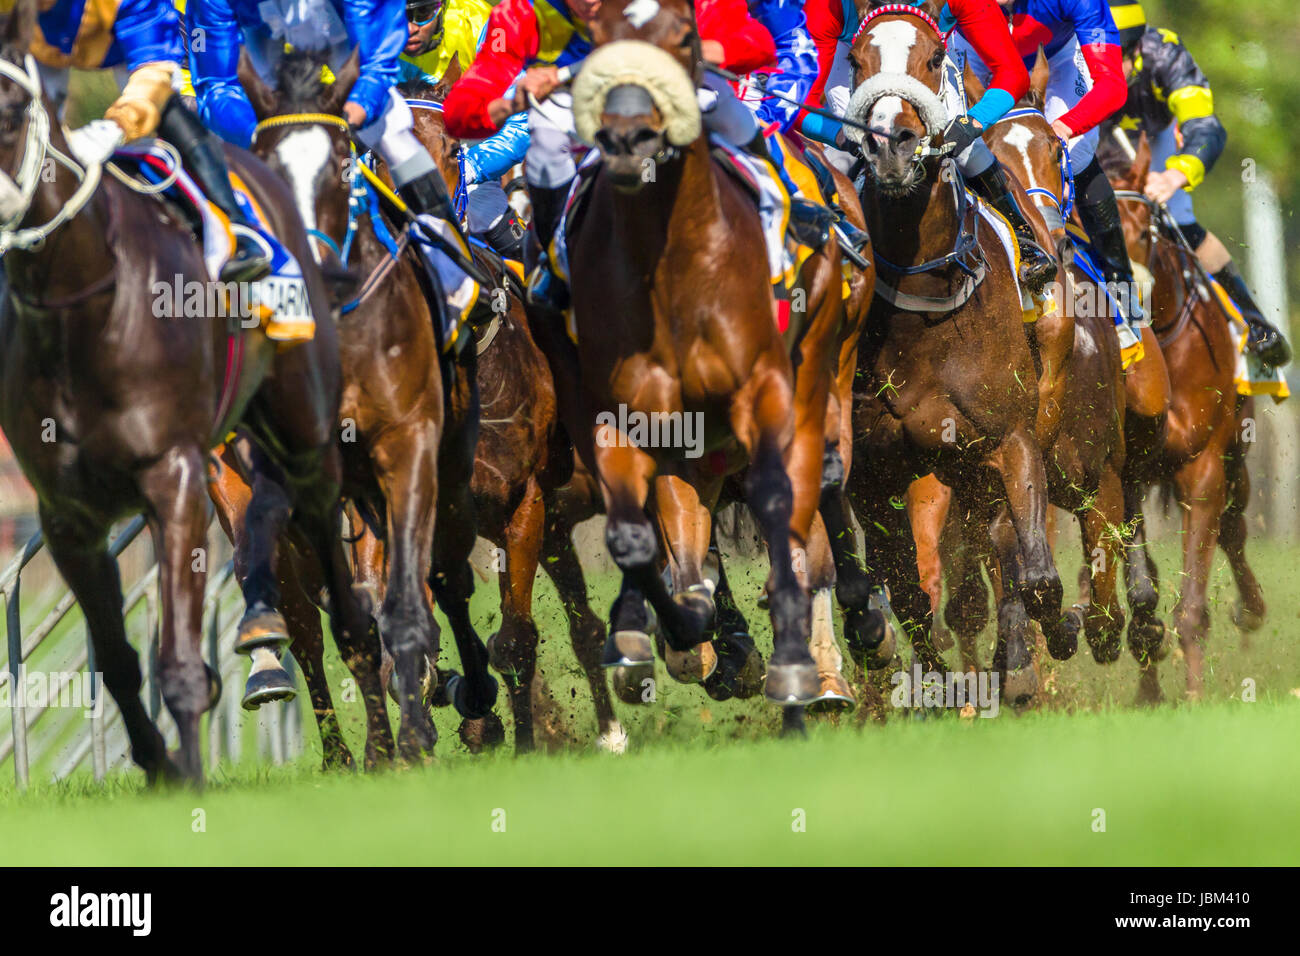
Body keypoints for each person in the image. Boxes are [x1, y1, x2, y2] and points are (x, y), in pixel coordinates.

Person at [188, 0, 483, 321]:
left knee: (395, 125)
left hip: (345, 41)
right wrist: (263, 134)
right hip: (264, 44)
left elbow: (378, 63)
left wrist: (356, 109)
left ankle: (451, 264)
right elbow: (215, 85)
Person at [800, 0, 1055, 291]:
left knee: (970, 154)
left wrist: (972, 124)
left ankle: (1024, 241)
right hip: (858, 60)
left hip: (924, 57)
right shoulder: (828, 6)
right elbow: (799, 98)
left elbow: (1012, 72)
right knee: (843, 158)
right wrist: (841, 136)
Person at [1101, 0, 1290, 366]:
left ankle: (1254, 322)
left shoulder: (1166, 53)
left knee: (1177, 219)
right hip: (1092, 132)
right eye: (1106, 53)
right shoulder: (1069, 53)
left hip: (1153, 138)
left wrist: (1175, 175)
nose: (1115, 67)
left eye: (1123, 54)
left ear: (1139, 47)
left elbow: (1206, 128)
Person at [39, 0, 271, 281]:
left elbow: (155, 72)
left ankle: (236, 226)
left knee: (169, 111)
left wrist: (116, 128)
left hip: (137, 51)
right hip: (35, 50)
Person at [949, 0, 1144, 323]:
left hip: (1058, 57)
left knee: (1077, 154)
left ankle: (1121, 286)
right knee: (957, 148)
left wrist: (1062, 129)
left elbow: (1112, 85)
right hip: (974, 51)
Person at [399, 0, 531, 259]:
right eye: (399, 16)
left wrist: (468, 168)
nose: (410, 28)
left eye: (422, 14)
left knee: (485, 214)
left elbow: (519, 123)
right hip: (393, 151)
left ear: (443, 7)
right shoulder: (368, 30)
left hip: (465, 151)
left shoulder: (485, 24)